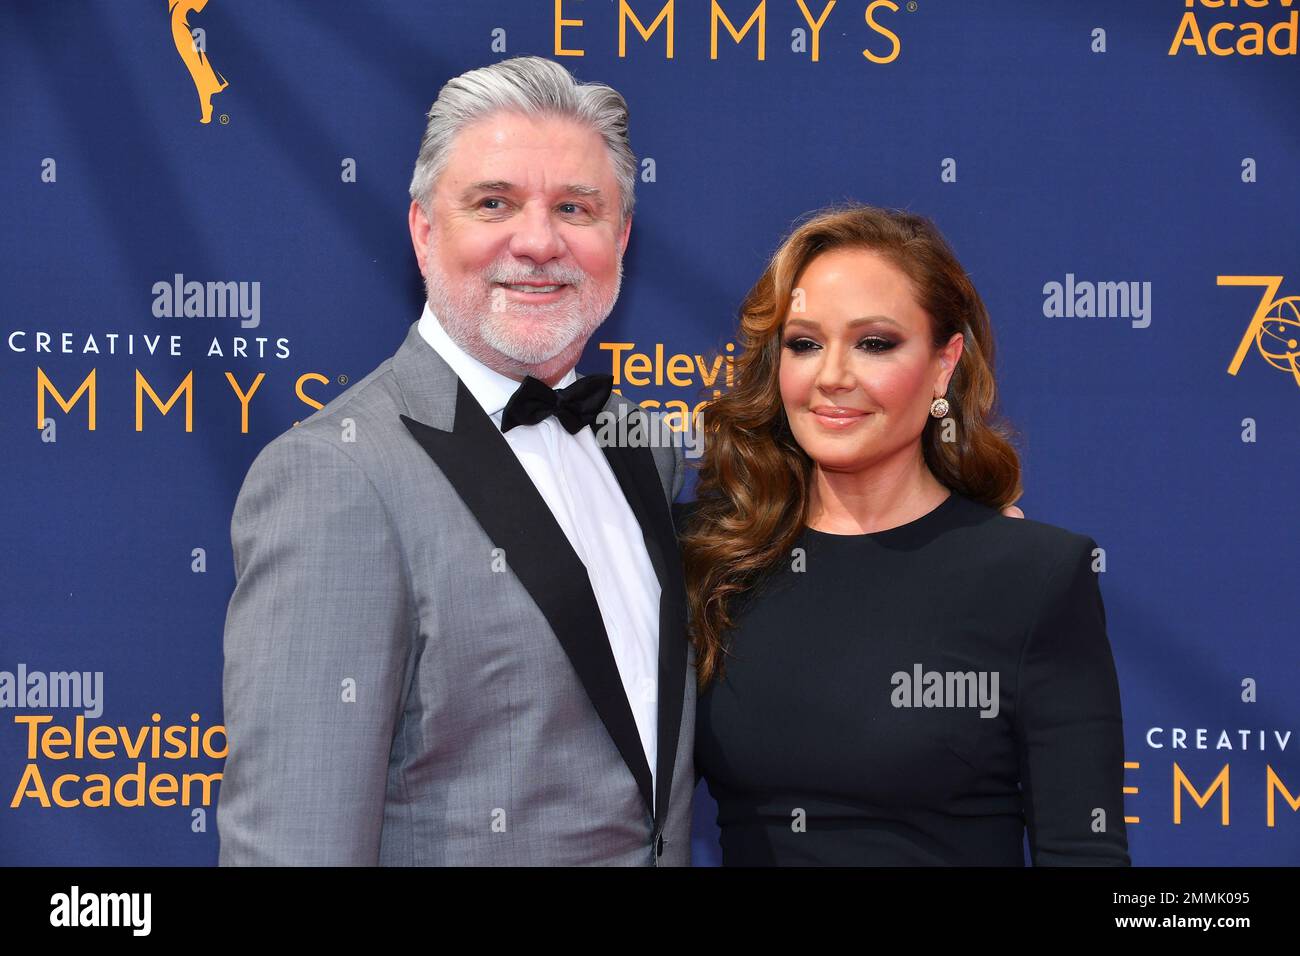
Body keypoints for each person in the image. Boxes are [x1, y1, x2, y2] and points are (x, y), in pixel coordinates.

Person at [217, 57, 694, 866]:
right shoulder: (337, 478)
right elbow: (294, 845)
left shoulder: (641, 444)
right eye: (494, 203)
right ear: (424, 231)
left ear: (620, 238)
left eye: (575, 208)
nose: (538, 241)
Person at [680, 204, 1129, 866]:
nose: (832, 376)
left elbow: (1083, 853)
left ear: (944, 365)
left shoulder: (1034, 575)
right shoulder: (706, 558)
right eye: (805, 343)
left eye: (875, 343)